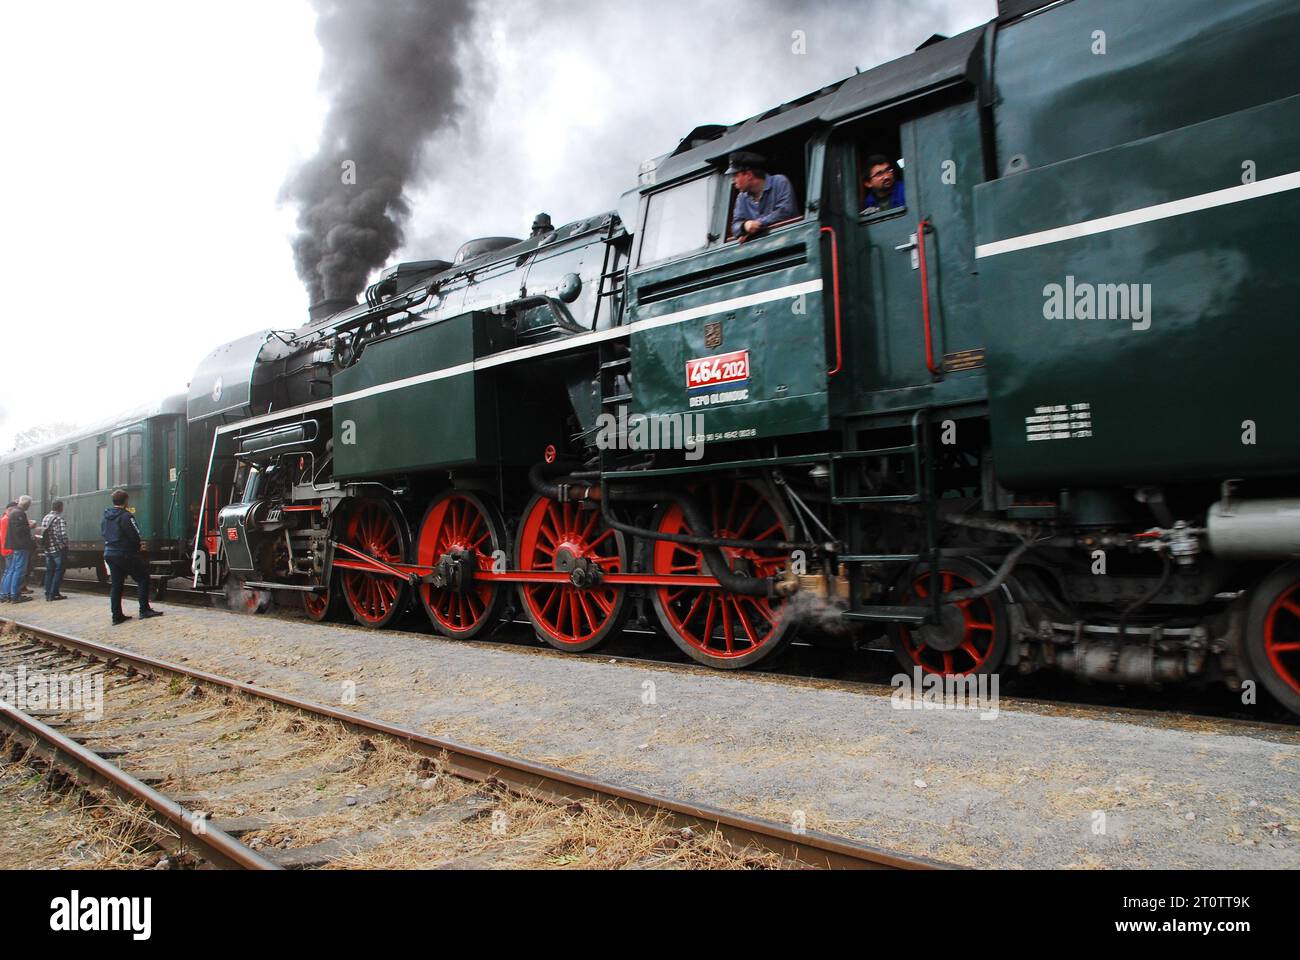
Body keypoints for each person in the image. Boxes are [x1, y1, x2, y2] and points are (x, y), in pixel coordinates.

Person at [101, 489, 163, 625]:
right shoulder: (126, 516)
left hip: (109, 553)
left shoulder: (106, 517)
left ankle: (116, 616)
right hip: (124, 553)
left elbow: (103, 533)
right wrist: (135, 550)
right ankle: (144, 610)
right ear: (126, 501)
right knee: (143, 578)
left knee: (116, 585)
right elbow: (135, 535)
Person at [727, 151, 799, 242]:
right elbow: (735, 227)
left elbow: (785, 212)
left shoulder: (780, 182)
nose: (733, 181)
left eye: (735, 175)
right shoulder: (741, 198)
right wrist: (745, 226)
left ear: (749, 175)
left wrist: (757, 224)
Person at [0, 497, 35, 604]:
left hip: (14, 546)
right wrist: (30, 526)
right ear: (27, 504)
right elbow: (19, 530)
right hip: (20, 546)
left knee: (11, 570)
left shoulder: (12, 514)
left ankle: (6, 594)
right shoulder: (19, 513)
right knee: (19, 571)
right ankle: (15, 595)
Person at [40, 500, 69, 601]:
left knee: (49, 571)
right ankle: (53, 594)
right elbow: (62, 534)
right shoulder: (59, 518)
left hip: (48, 549)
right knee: (59, 571)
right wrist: (64, 544)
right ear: (60, 507)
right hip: (57, 549)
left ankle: (48, 593)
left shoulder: (45, 517)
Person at [0, 500, 13, 586]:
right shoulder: (6, 520)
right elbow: (5, 536)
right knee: (9, 570)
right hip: (8, 549)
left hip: (5, 548)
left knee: (7, 570)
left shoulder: (3, 519)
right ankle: (4, 591)